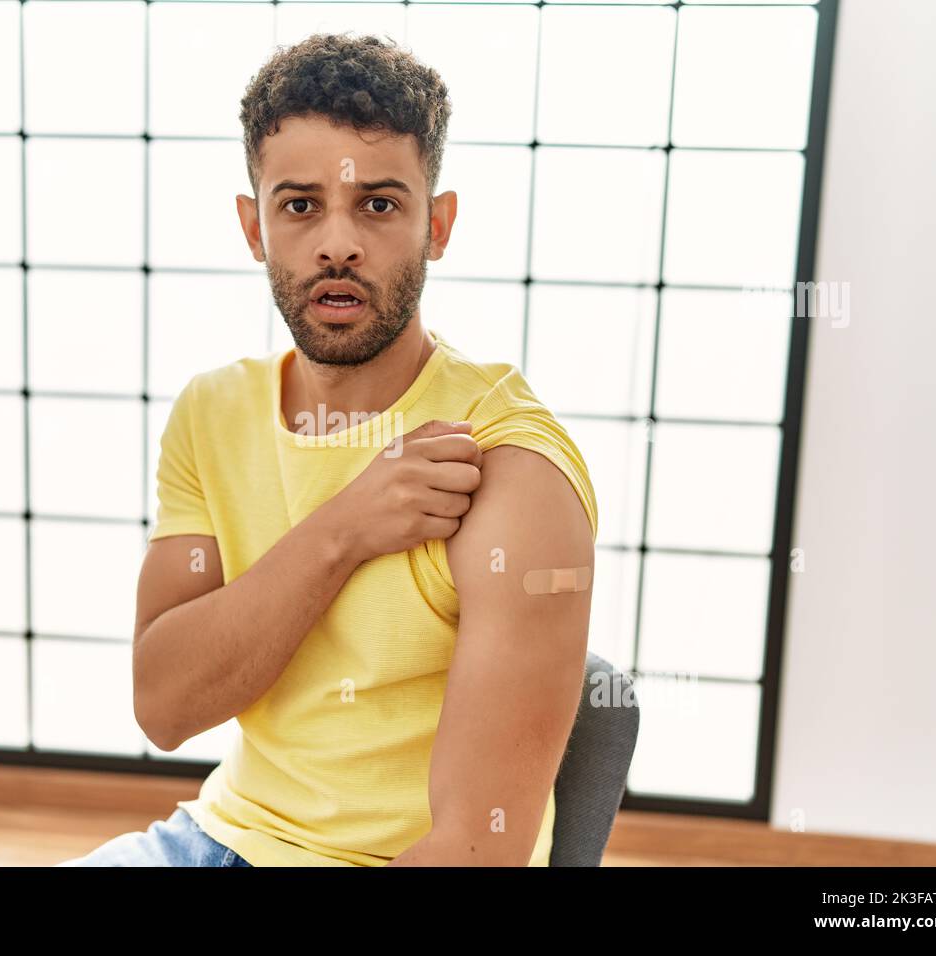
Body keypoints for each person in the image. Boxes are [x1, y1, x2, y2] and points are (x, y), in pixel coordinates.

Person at [60, 32, 598, 868]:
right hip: (215, 839)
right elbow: (164, 708)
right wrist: (345, 526)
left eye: (379, 204)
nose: (336, 243)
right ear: (254, 226)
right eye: (300, 205)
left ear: (438, 224)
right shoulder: (213, 411)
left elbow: (472, 849)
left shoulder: (512, 468)